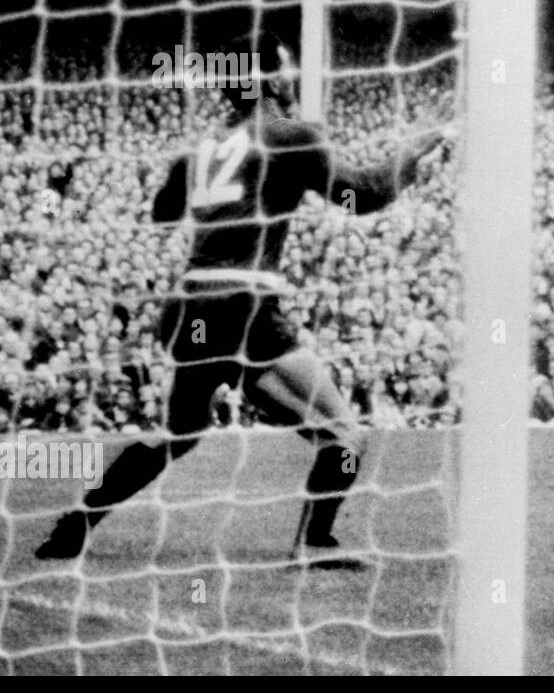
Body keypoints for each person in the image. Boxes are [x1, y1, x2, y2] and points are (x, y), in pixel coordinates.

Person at [35, 33, 450, 568]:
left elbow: (163, 212)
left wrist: (195, 172)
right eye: (288, 69)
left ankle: (76, 524)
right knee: (343, 432)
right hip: (243, 305)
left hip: (188, 310)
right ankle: (313, 543)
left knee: (178, 435)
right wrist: (414, 149)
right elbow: (360, 194)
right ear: (273, 78)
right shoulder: (289, 136)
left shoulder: (202, 151)